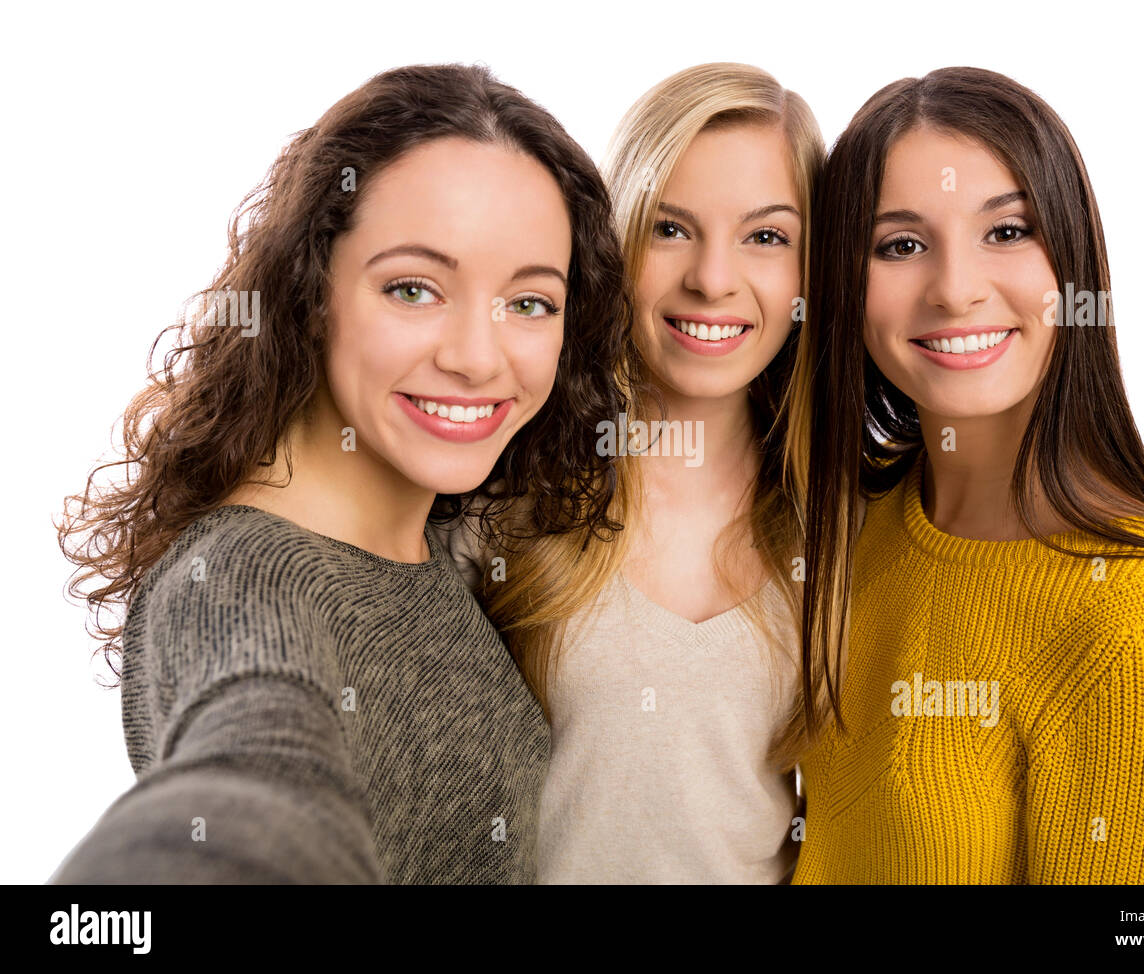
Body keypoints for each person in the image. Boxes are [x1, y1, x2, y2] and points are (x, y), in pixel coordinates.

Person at [50, 63, 632, 884]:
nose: (475, 357)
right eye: (413, 289)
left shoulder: (431, 540)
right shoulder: (244, 582)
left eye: (529, 302)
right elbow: (256, 772)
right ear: (309, 289)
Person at [791, 66, 1144, 883]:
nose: (957, 290)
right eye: (900, 245)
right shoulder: (846, 529)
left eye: (1007, 232)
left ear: (1072, 261)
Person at [438, 63, 824, 883]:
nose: (713, 279)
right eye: (671, 228)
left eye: (766, 236)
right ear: (615, 243)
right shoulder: (497, 493)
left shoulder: (841, 529)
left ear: (808, 272)